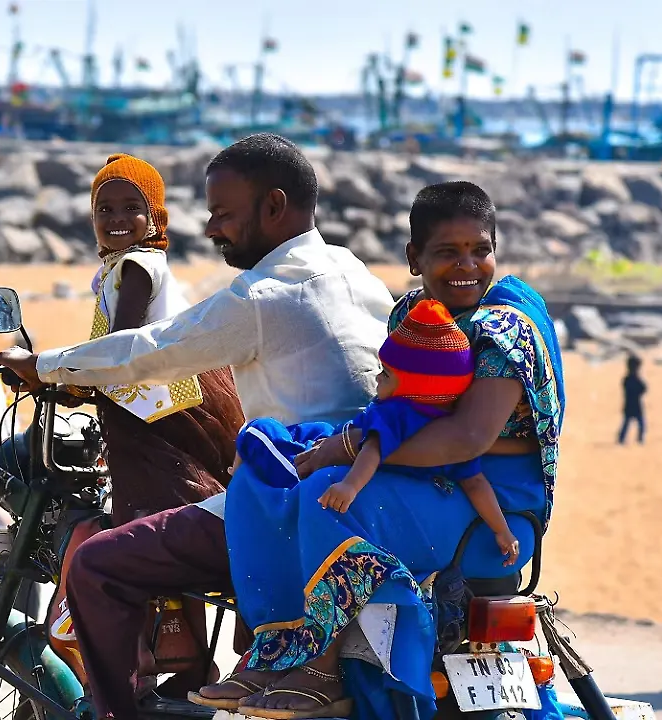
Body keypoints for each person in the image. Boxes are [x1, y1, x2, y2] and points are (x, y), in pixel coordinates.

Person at [0, 133, 397, 720]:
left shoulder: (262, 296)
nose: (212, 227)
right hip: (380, 491)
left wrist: (41, 365)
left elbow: (152, 349)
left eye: (223, 213)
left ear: (273, 207)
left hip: (296, 501)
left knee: (98, 564)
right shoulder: (353, 272)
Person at [210, 181, 566, 719]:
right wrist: (327, 442)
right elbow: (393, 406)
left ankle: (321, 668)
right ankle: (277, 648)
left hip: (488, 496)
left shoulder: (504, 330)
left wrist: (349, 448)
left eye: (480, 250)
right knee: (266, 470)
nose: (467, 265)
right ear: (414, 258)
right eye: (448, 252)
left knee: (332, 494)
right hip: (419, 477)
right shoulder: (412, 316)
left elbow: (468, 439)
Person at [45, 153, 245, 700]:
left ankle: (128, 674)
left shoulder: (140, 266)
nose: (115, 218)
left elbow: (123, 344)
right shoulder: (118, 266)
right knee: (159, 523)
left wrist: (58, 369)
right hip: (148, 408)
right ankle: (182, 665)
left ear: (155, 219)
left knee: (146, 522)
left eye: (131, 208)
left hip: (158, 418)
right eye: (103, 208)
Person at [230, 298, 520, 570]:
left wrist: (349, 487)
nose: (377, 378)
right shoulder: (446, 428)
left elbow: (372, 449)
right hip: (351, 447)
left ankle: (239, 467)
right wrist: (502, 530)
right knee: (314, 431)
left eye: (386, 373)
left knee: (259, 432)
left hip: (334, 468)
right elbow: (476, 484)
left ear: (415, 386)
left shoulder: (396, 413)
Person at [618, 354, 646, 444]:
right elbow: (643, 388)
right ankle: (624, 439)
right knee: (634, 424)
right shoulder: (630, 379)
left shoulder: (627, 379)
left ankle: (637, 439)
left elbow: (643, 388)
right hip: (634, 405)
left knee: (630, 424)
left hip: (631, 405)